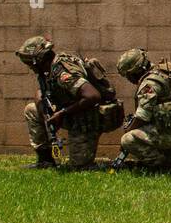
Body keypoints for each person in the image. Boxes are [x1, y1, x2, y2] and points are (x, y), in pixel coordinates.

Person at [16, 35, 121, 169]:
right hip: (72, 115)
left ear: (39, 60)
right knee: (32, 109)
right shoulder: (49, 70)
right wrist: (45, 114)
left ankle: (111, 166)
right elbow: (40, 92)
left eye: (30, 62)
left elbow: (93, 96)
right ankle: (45, 160)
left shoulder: (63, 72)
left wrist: (62, 113)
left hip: (87, 121)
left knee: (79, 168)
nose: (29, 67)